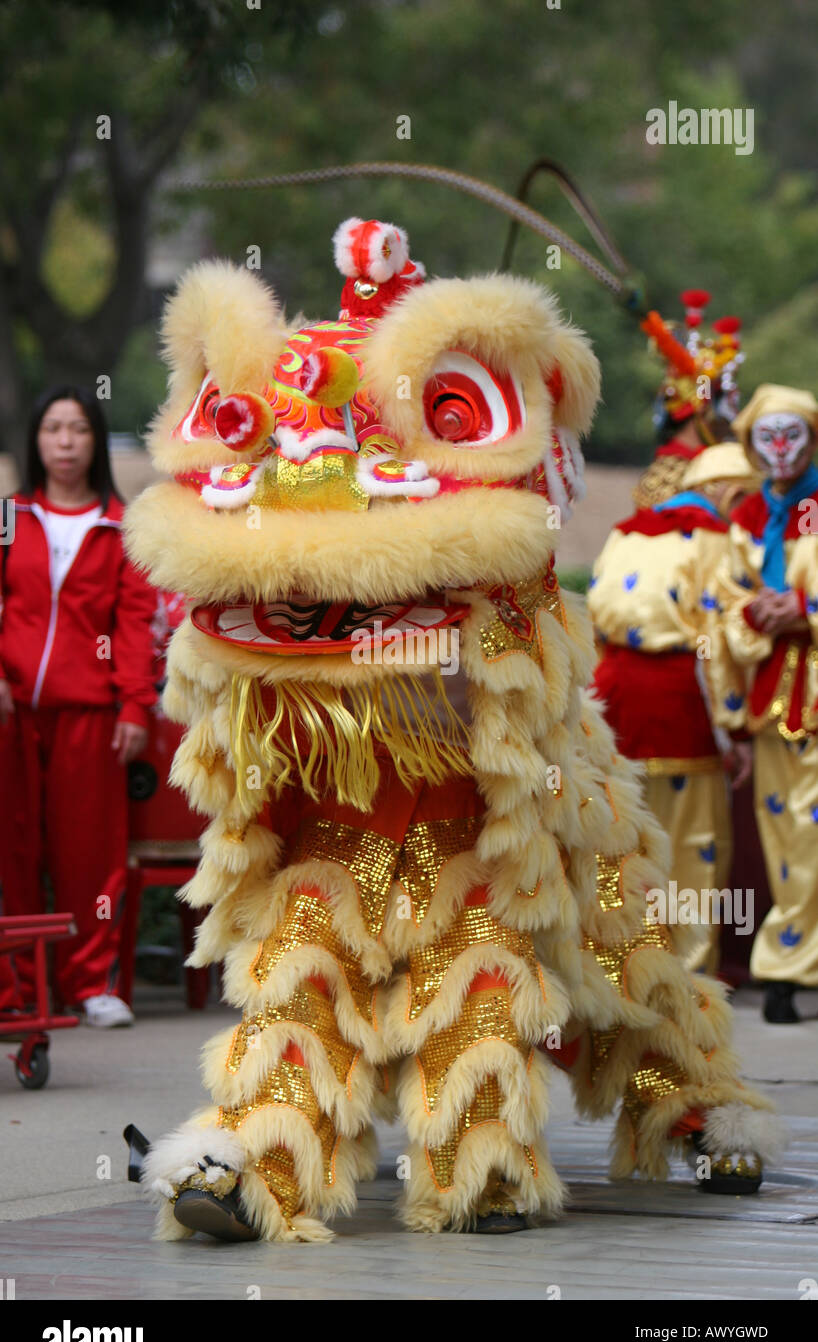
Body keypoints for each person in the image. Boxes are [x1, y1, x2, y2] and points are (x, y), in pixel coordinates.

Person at [123, 223, 776, 1244]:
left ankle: (681, 1104)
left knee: (574, 969)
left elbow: (522, 675)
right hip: (330, 850)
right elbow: (227, 690)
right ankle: (250, 1169)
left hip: (481, 846)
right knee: (293, 999)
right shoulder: (261, 650)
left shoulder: (506, 623)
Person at [0, 386, 158, 1026]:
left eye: (79, 429)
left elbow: (135, 622)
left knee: (91, 854)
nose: (65, 442)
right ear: (36, 441)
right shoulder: (6, 518)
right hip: (8, 712)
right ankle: (11, 990)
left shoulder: (123, 524)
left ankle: (92, 985)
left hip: (90, 714)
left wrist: (135, 707)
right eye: (53, 429)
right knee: (9, 853)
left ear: (95, 441)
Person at [588, 441, 761, 974]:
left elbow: (594, 620)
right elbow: (721, 644)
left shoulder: (624, 532)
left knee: (620, 839)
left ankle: (620, 967)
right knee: (693, 846)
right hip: (681, 704)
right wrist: (734, 731)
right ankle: (687, 976)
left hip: (612, 695)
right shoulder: (716, 540)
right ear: (728, 492)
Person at [715, 384, 818, 1023]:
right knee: (783, 831)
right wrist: (758, 611)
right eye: (767, 437)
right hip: (773, 694)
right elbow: (725, 597)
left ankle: (794, 963)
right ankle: (787, 964)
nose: (780, 449)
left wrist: (806, 611)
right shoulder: (749, 514)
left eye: (794, 436)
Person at [633, 289, 742, 509]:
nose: (731, 419)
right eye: (721, 402)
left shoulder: (729, 469)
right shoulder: (670, 477)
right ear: (702, 408)